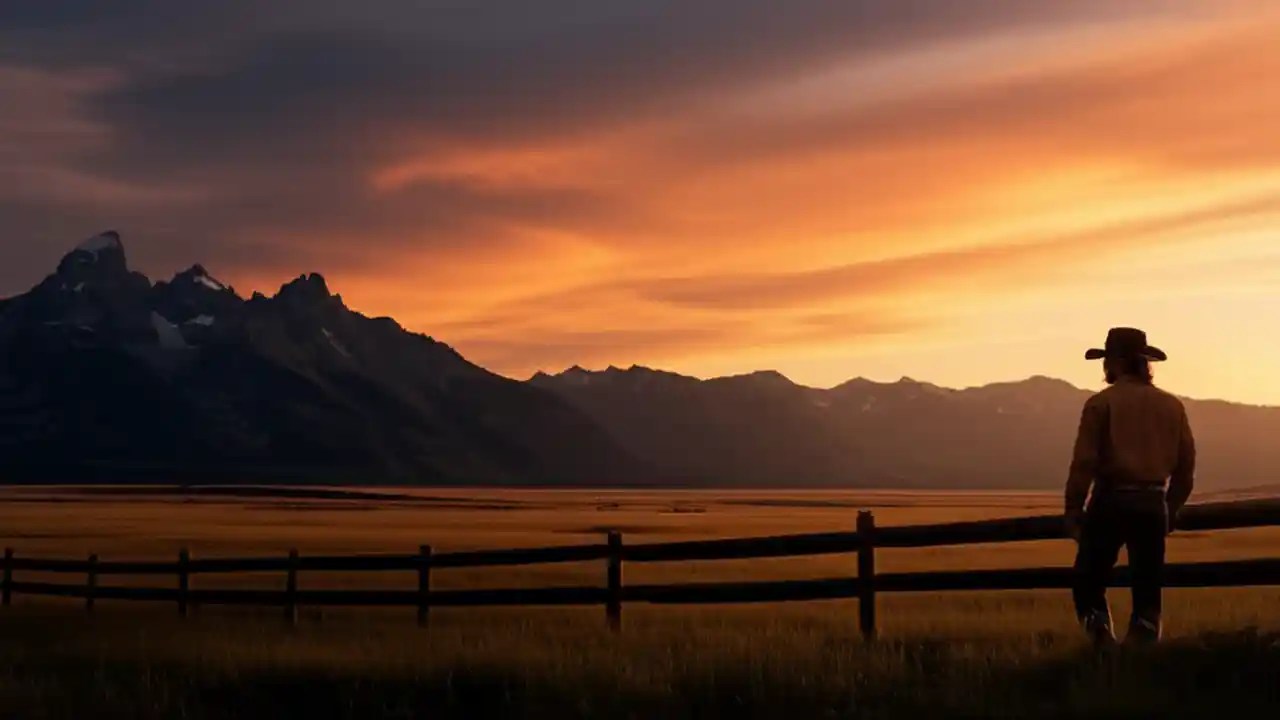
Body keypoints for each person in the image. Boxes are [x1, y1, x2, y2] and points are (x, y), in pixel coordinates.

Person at [1065, 327, 1196, 647]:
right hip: (1152, 503)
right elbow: (1186, 466)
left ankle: (1102, 644)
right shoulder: (1172, 406)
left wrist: (1073, 509)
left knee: (1088, 580)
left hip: (1111, 500)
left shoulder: (1100, 404)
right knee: (1148, 585)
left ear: (1116, 362)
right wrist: (1171, 507)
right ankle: (1142, 648)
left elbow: (1084, 462)